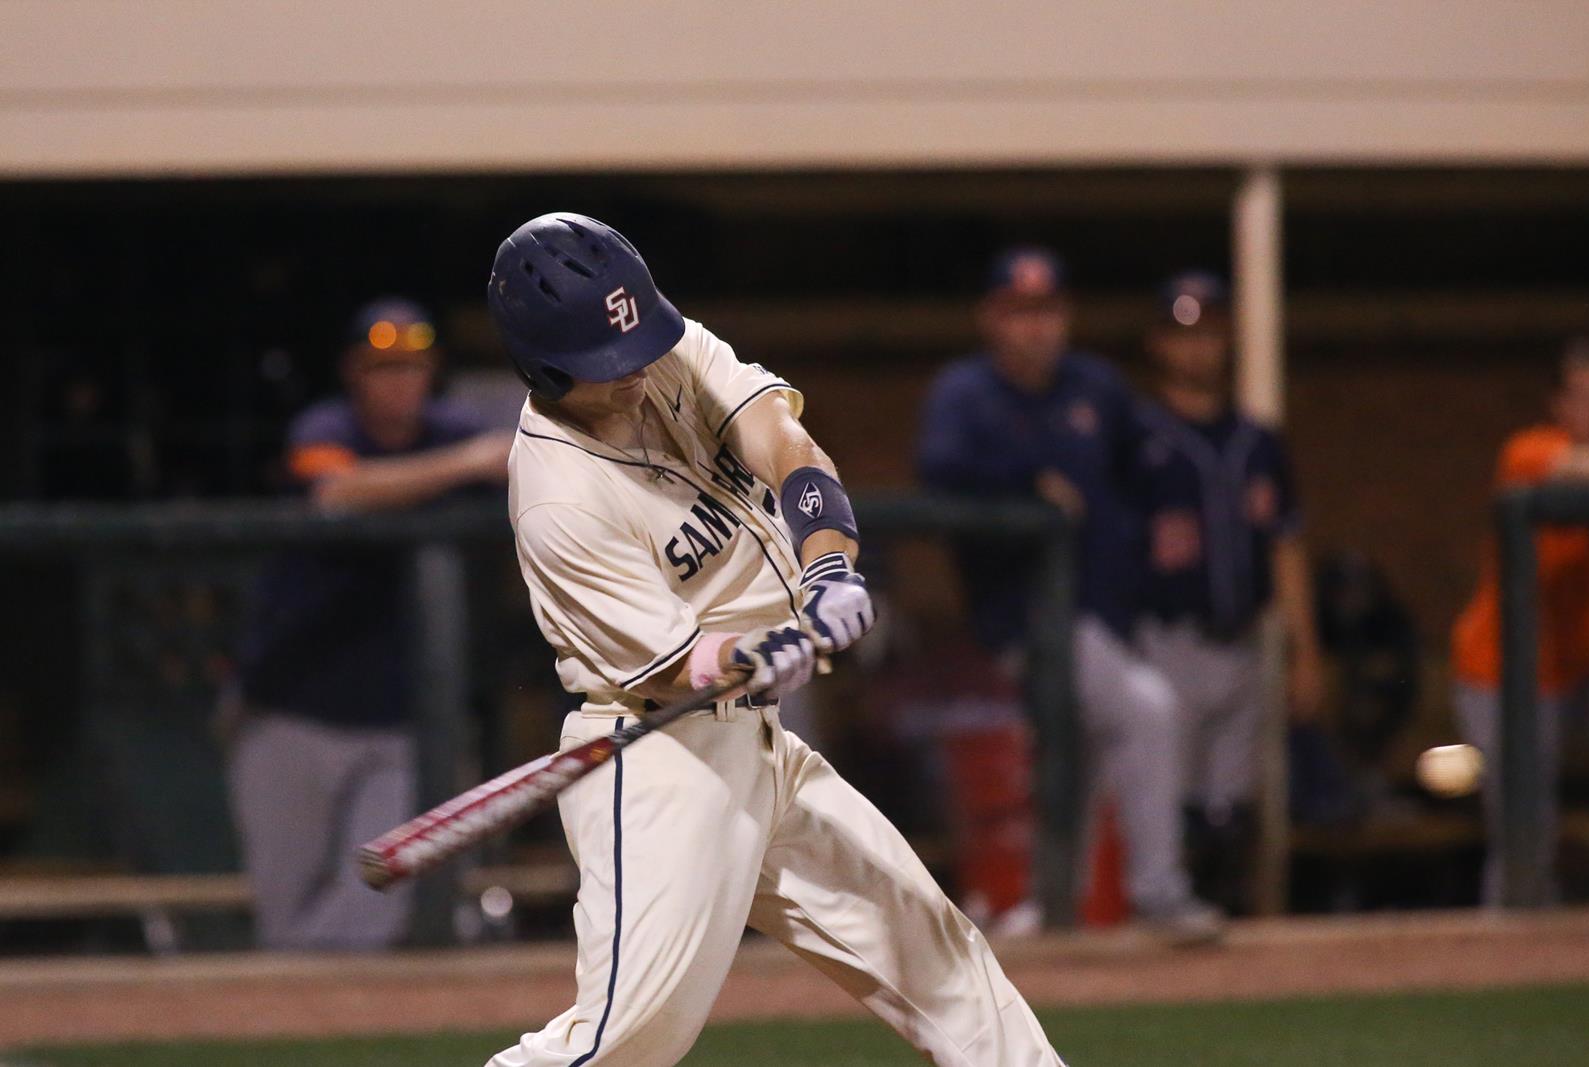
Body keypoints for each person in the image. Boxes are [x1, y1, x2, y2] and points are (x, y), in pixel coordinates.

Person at [484, 214, 1063, 1067]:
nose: (637, 367)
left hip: (757, 743)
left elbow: (784, 443)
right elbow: (677, 666)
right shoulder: (557, 497)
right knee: (626, 1041)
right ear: (545, 367)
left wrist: (828, 568)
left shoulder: (662, 351)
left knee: (933, 953)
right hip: (660, 761)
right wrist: (755, 653)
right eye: (609, 365)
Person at [918, 247, 1221, 943]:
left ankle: (1056, 910)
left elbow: (1143, 468)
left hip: (1106, 609)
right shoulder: (966, 392)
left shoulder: (1096, 387)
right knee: (1146, 711)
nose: (1036, 329)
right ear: (991, 319)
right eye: (1020, 313)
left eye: (1047, 311)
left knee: (1079, 752)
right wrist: (1029, 476)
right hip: (1026, 616)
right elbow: (939, 466)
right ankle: (1160, 893)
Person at [228, 298, 511, 950]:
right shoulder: (326, 427)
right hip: (290, 710)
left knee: (385, 887)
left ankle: (303, 1007)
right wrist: (466, 464)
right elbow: (334, 491)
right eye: (382, 367)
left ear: (431, 371)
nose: (398, 381)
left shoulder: (452, 426)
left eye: (411, 366)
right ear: (354, 372)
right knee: (285, 914)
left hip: (404, 724)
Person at [1127, 271, 1323, 913]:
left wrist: (1305, 652)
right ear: (1158, 344)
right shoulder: (1136, 438)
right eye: (1182, 334)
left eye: (1208, 332)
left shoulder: (1258, 441)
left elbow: (1287, 546)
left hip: (1245, 639)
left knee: (1230, 810)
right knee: (1169, 802)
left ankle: (1230, 953)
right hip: (1165, 638)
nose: (1196, 348)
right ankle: (1165, 928)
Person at [1452, 336, 1589, 907]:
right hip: (1500, 676)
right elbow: (1576, 470)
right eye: (1584, 397)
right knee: (1525, 831)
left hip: (1577, 674)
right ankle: (1510, 953)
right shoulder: (1531, 451)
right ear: (1559, 406)